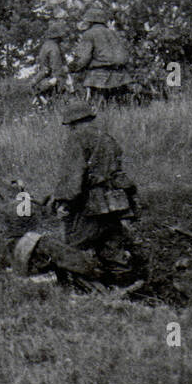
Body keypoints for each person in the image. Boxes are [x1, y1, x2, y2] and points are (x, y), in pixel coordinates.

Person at [43, 103, 143, 289]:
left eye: (70, 125)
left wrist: (63, 202)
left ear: (73, 123)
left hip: (91, 206)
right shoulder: (107, 139)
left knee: (72, 251)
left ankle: (78, 293)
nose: (70, 129)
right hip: (115, 204)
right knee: (112, 250)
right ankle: (126, 290)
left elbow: (73, 177)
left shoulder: (77, 139)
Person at [70, 5, 132, 105]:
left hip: (99, 78)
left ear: (90, 21)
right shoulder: (114, 33)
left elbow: (84, 58)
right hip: (121, 76)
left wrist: (72, 67)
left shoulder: (89, 34)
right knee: (120, 109)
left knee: (98, 109)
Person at [28, 20, 71, 103]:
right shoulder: (54, 48)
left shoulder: (46, 45)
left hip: (42, 78)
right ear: (58, 36)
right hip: (51, 81)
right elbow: (56, 68)